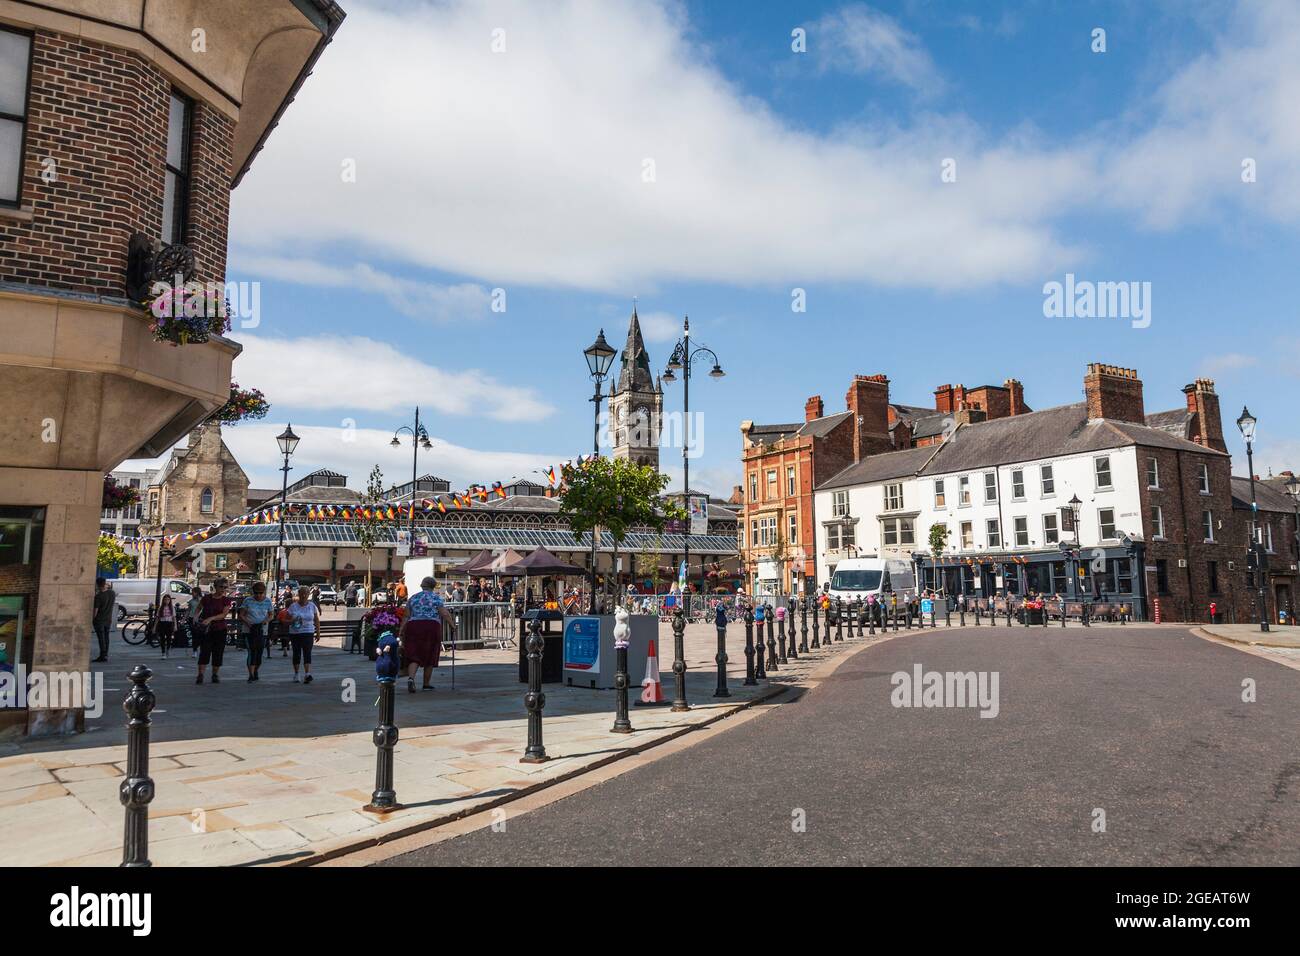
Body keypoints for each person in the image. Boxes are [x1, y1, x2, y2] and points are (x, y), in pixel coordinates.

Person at [399, 576, 457, 693]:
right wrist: (452, 625)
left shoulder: (413, 598)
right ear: (433, 586)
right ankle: (426, 684)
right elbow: (444, 613)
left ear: (422, 585)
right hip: (431, 626)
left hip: (414, 626)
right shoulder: (435, 598)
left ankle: (411, 678)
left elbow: (406, 616)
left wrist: (401, 630)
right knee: (430, 653)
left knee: (414, 654)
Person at [195, 578, 233, 684]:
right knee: (204, 651)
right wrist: (195, 618)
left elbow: (224, 614)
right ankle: (200, 674)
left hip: (220, 629)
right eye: (221, 587)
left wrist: (211, 618)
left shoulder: (226, 600)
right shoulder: (206, 598)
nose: (223, 589)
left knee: (218, 652)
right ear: (215, 587)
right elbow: (198, 608)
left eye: (225, 587)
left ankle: (215, 674)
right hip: (206, 630)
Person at [241, 582, 273, 682]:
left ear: (264, 592)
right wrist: (248, 622)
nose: (258, 595)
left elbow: (271, 615)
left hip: (262, 629)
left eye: (260, 593)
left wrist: (266, 621)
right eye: (256, 593)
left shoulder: (268, 601)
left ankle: (256, 670)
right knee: (251, 651)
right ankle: (250, 673)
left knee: (259, 652)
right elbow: (241, 614)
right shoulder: (248, 600)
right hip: (249, 629)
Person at [286, 586, 319, 683]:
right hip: (295, 633)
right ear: (298, 594)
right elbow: (286, 620)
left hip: (308, 631)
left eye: (306, 593)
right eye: (302, 593)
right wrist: (291, 621)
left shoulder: (312, 606)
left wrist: (318, 632)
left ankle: (307, 674)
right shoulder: (293, 606)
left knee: (307, 652)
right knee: (296, 653)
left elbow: (316, 619)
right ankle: (296, 674)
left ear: (309, 594)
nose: (304, 595)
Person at [92, 578, 115, 663]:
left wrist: (92, 619)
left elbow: (95, 611)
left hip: (99, 620)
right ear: (105, 583)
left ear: (97, 585)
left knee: (101, 638)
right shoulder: (112, 593)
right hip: (108, 619)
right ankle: (105, 654)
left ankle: (102, 655)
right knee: (106, 637)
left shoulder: (98, 596)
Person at [187, 584, 204, 657]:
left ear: (197, 592)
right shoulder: (191, 601)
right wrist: (184, 619)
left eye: (193, 592)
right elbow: (188, 610)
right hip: (191, 618)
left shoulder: (202, 600)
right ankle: (195, 650)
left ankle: (199, 648)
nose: (192, 594)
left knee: (200, 635)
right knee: (194, 635)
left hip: (200, 618)